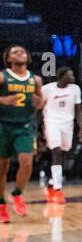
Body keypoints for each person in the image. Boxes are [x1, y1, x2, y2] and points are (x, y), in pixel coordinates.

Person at [0, 45, 44, 223]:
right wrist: (3, 100)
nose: (19, 53)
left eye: (23, 51)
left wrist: (38, 101)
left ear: (27, 57)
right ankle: (1, 205)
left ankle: (17, 194)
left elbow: (40, 104)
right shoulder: (2, 76)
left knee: (26, 161)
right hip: (3, 125)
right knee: (2, 167)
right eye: (15, 52)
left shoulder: (36, 80)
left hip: (25, 126)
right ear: (8, 59)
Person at [39, 66, 82, 204]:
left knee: (63, 153)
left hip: (68, 124)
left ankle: (52, 182)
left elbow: (78, 111)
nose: (73, 77)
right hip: (52, 122)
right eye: (70, 74)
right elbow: (38, 107)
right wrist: (38, 127)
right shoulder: (47, 89)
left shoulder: (75, 89)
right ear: (61, 76)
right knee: (56, 151)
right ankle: (58, 190)